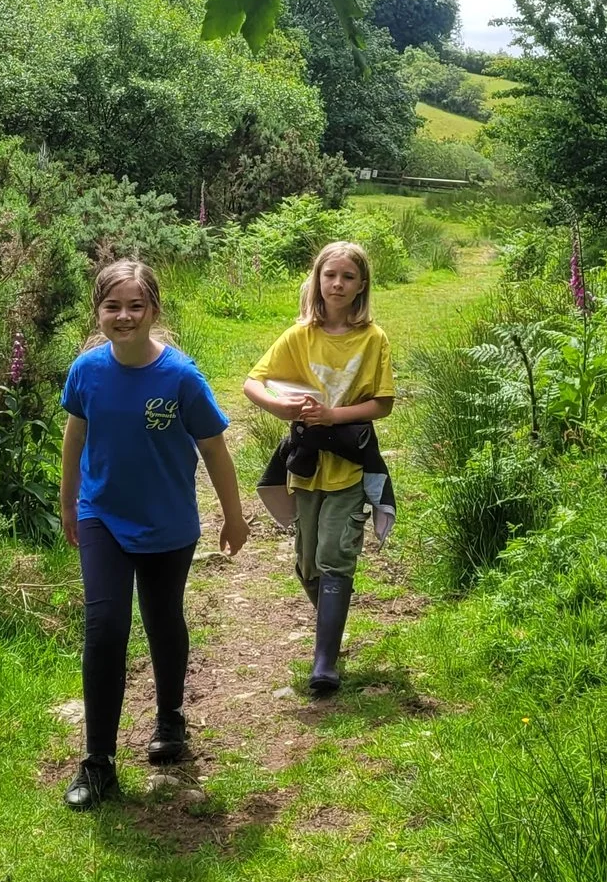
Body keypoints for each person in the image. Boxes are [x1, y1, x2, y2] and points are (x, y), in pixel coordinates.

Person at [57, 259, 249, 810]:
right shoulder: (87, 371)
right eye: (112, 306)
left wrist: (232, 516)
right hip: (102, 516)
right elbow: (75, 438)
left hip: (168, 522)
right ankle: (98, 762)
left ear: (153, 310)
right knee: (106, 624)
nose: (124, 316)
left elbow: (213, 447)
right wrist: (70, 503)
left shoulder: (181, 377)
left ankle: (170, 719)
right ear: (98, 313)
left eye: (135, 305)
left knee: (163, 618)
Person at [241, 240, 396, 696]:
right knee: (307, 565)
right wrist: (282, 409)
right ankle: (330, 630)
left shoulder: (373, 339)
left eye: (348, 277)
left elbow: (382, 404)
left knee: (334, 557)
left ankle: (324, 661)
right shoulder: (298, 335)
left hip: (350, 464)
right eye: (330, 275)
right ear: (317, 280)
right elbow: (253, 382)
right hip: (305, 467)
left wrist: (333, 416)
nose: (338, 284)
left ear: (361, 285)